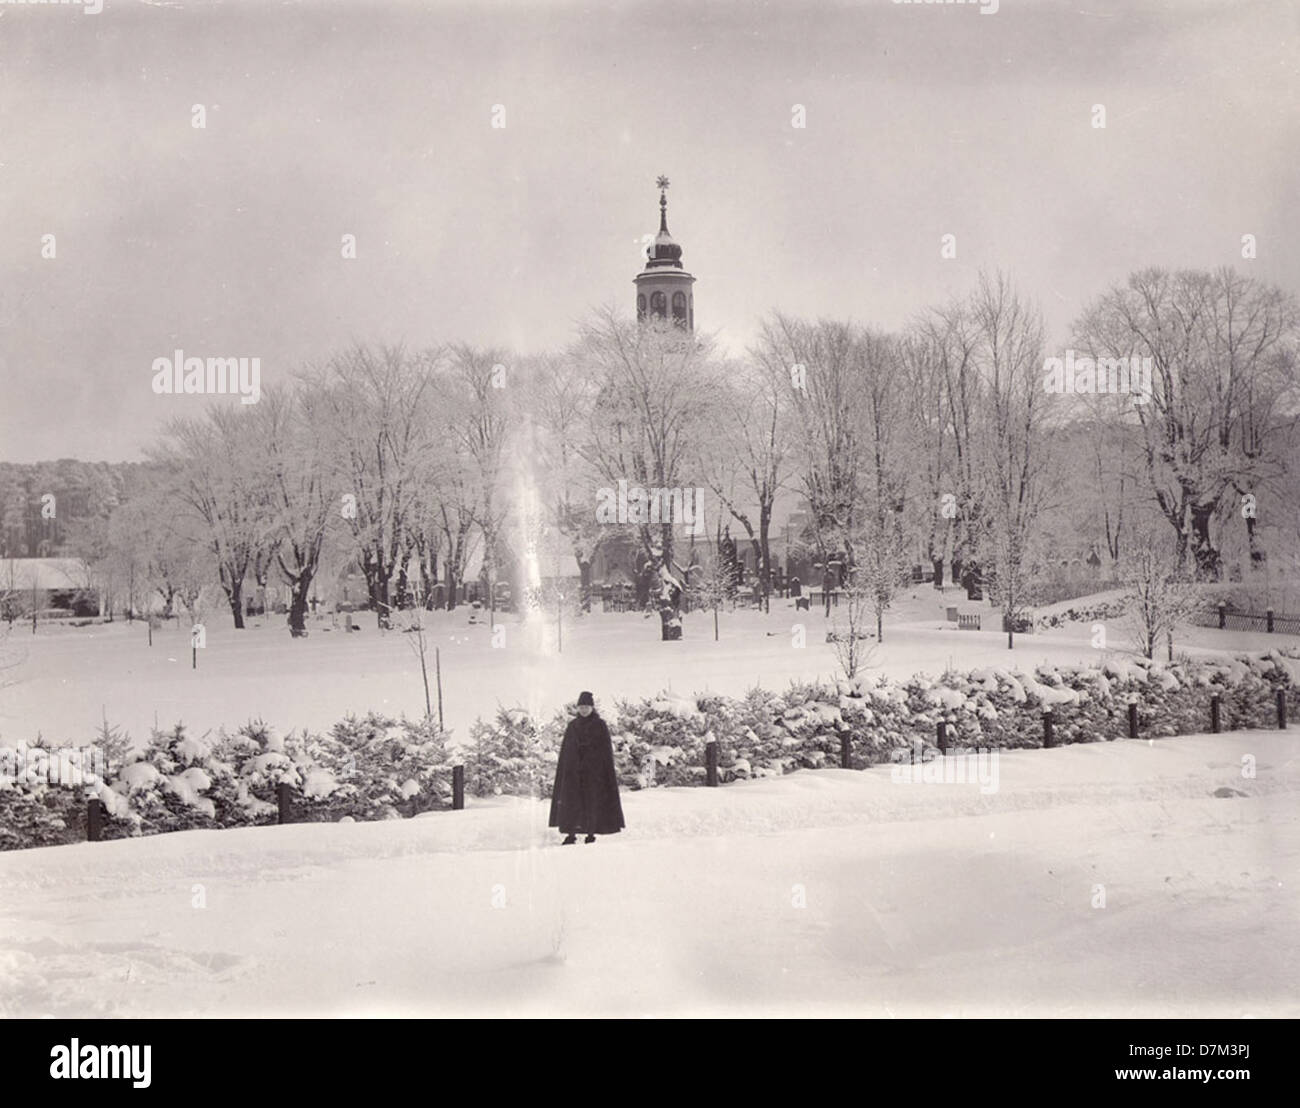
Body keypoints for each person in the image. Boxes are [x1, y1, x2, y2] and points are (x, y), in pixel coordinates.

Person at [549, 691, 625, 844]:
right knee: (572, 803)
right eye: (581, 707)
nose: (583, 710)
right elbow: (567, 750)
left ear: (592, 708)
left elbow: (604, 751)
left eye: (586, 707)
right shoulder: (572, 726)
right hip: (574, 774)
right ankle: (571, 834)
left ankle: (591, 833)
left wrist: (593, 762)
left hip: (594, 774)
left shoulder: (600, 725)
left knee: (592, 802)